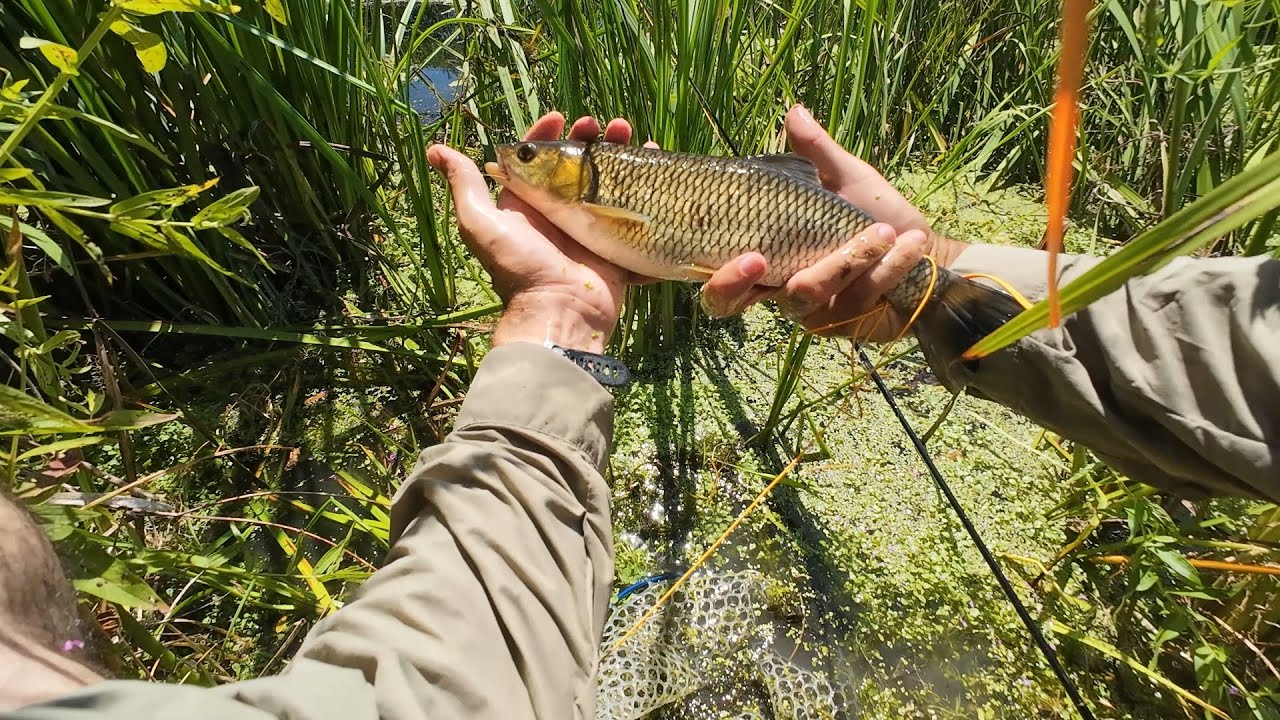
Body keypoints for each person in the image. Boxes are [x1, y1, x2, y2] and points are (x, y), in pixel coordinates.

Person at [1, 106, 1275, 719]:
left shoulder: (611, 201)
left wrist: (919, 278)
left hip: (796, 254)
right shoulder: (593, 201)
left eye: (539, 168)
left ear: (573, 182)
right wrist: (920, 270)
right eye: (529, 168)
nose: (522, 170)